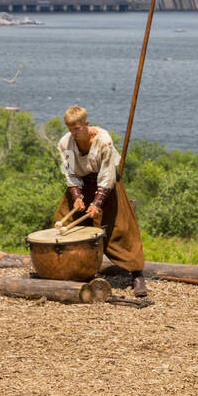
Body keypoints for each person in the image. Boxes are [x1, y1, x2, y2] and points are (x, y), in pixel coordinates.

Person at [54, 105, 147, 296]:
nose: (73, 133)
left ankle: (137, 275)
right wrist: (77, 196)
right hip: (82, 185)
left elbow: (106, 176)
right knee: (66, 220)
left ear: (86, 124)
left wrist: (97, 203)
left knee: (120, 229)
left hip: (108, 186)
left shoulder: (103, 141)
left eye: (77, 128)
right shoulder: (65, 143)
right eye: (70, 129)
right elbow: (70, 172)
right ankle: (78, 269)